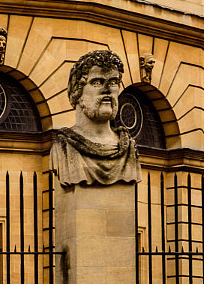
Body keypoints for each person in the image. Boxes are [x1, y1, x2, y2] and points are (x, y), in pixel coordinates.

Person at [50, 49, 138, 187]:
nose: (107, 89)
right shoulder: (65, 145)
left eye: (114, 82)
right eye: (97, 82)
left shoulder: (128, 147)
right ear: (77, 92)